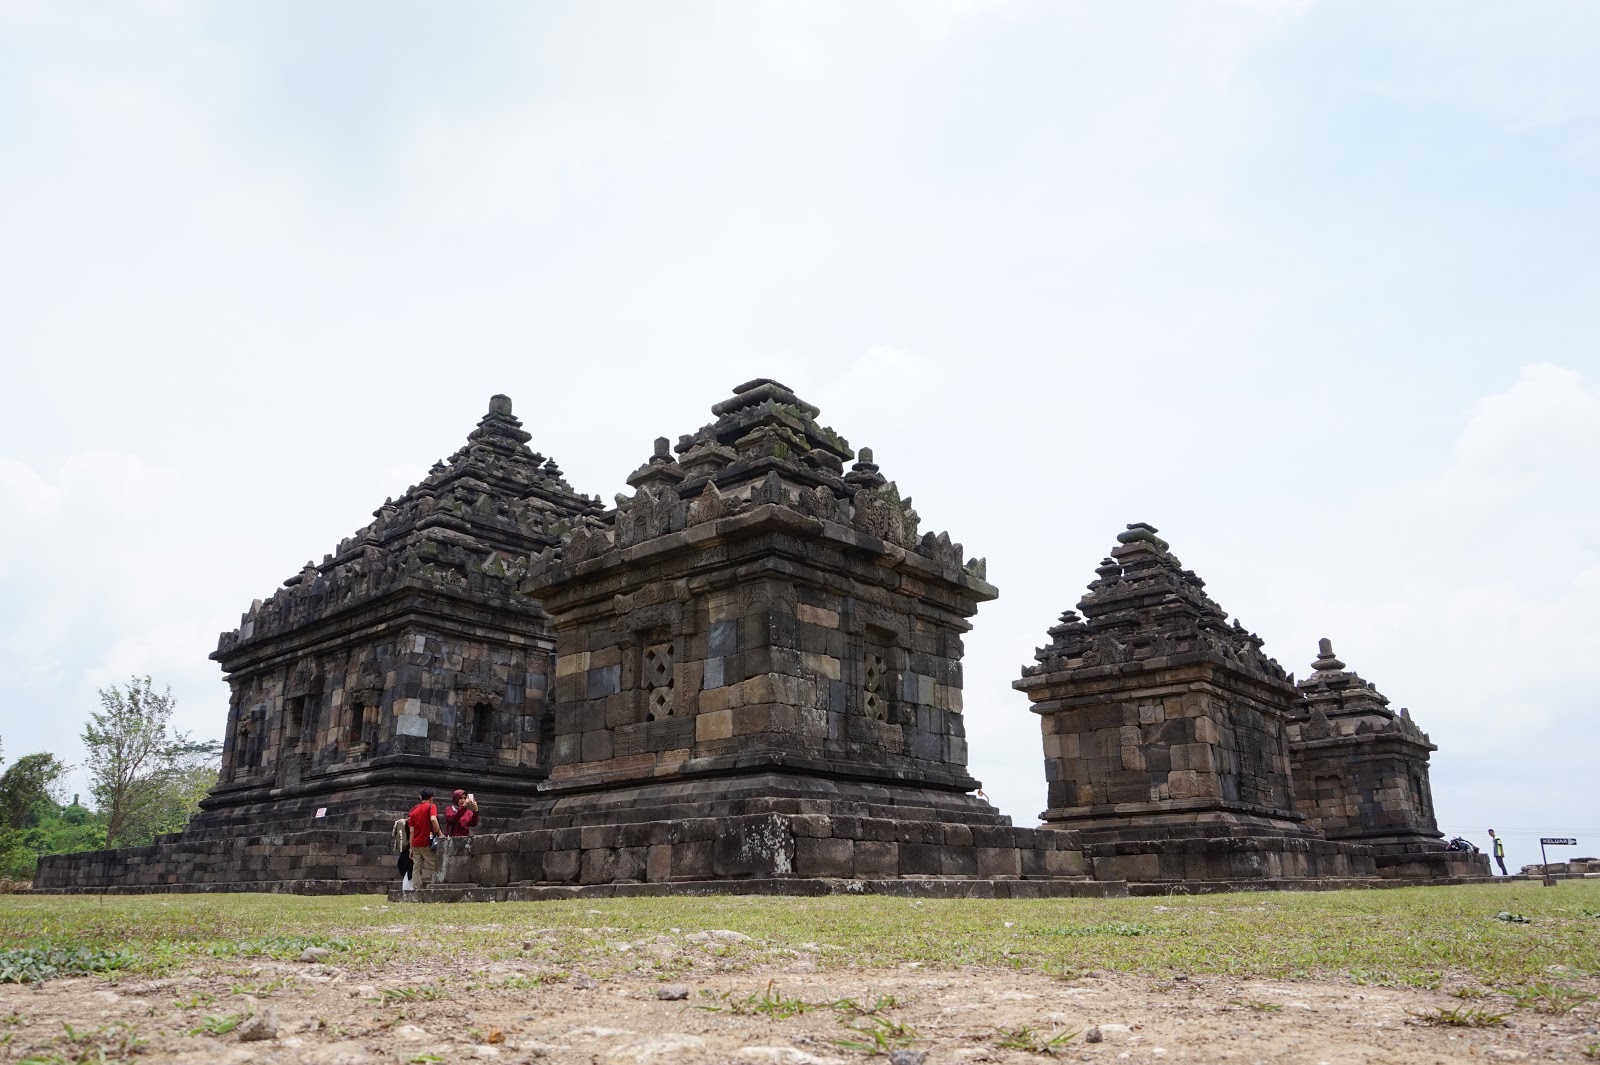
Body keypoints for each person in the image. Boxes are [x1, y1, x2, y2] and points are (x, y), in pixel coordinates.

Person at [407, 788, 443, 885]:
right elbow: (433, 819)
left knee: (416, 869)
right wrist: (439, 833)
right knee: (435, 866)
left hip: (415, 844)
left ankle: (416, 890)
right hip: (426, 842)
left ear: (420, 798)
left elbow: (411, 831)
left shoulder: (414, 811)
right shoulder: (431, 806)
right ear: (431, 799)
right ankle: (436, 887)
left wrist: (411, 848)